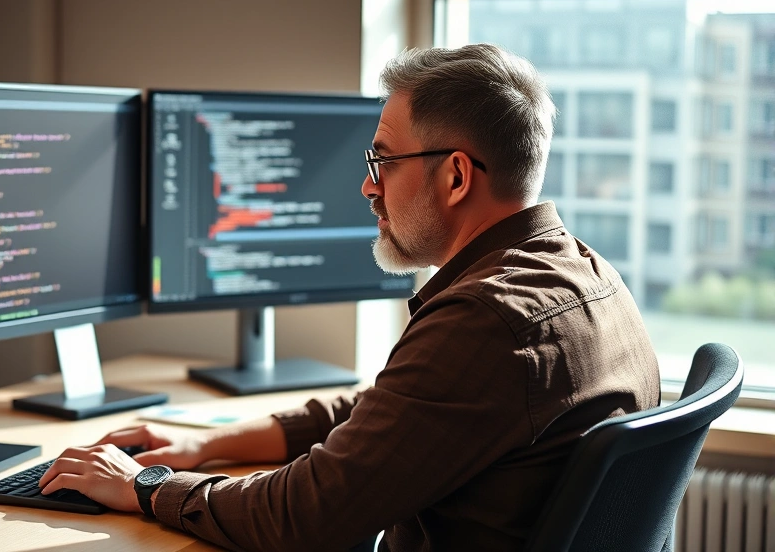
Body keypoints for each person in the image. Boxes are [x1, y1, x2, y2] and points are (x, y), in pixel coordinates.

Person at [37, 44, 661, 551]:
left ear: (456, 175)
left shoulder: (486, 320)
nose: (368, 185)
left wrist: (148, 486)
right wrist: (210, 445)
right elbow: (389, 417)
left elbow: (303, 516)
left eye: (383, 159)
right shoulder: (585, 275)